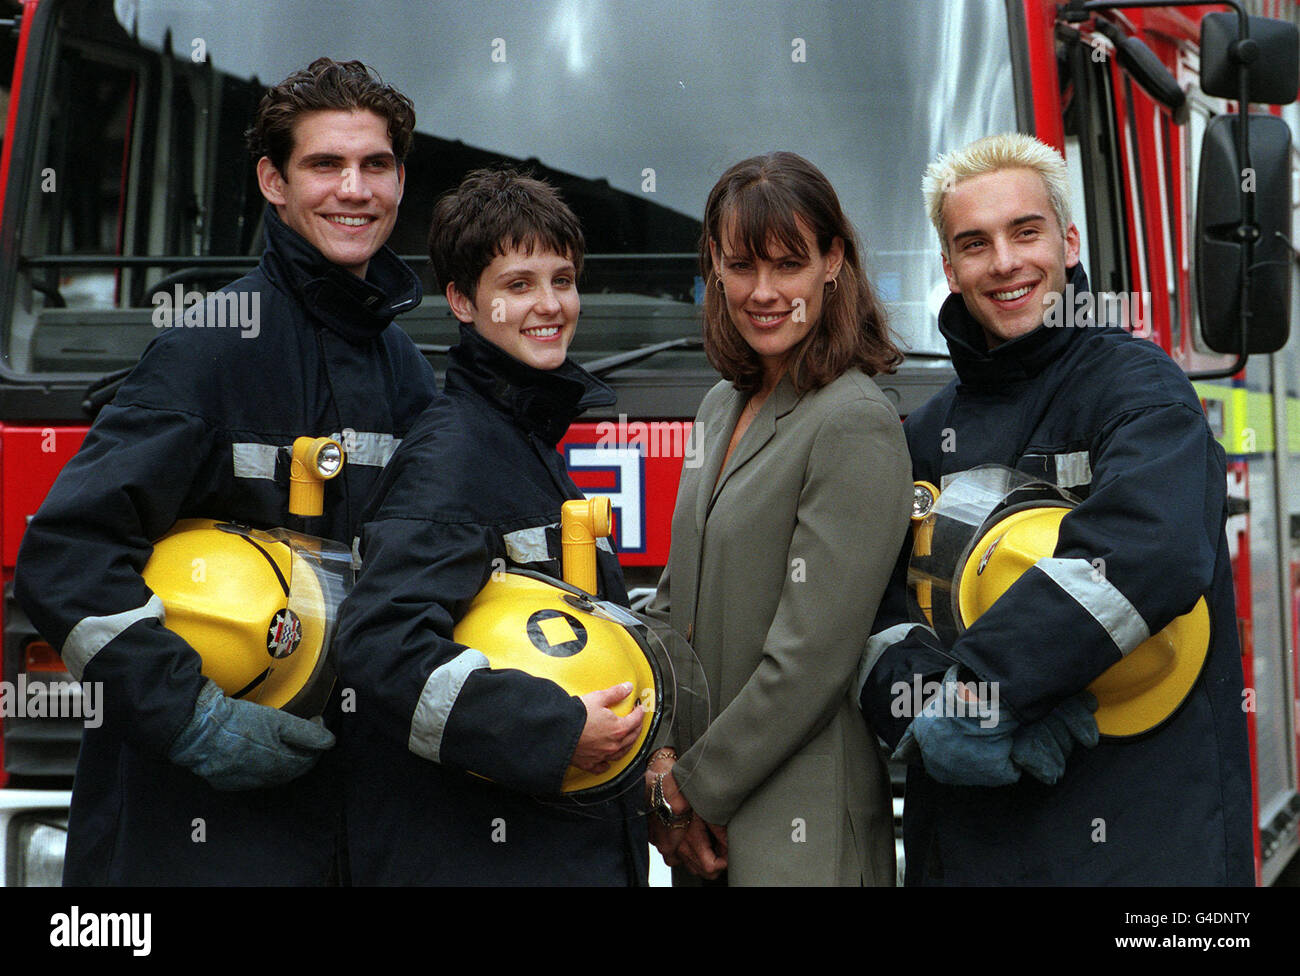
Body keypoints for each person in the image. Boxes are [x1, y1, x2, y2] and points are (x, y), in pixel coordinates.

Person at [14, 58, 438, 885]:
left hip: (354, 817)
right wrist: (189, 717)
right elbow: (67, 556)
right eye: (325, 164)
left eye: (376, 165)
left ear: (398, 183)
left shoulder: (406, 370)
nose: (354, 189)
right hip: (196, 831)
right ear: (274, 182)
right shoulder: (207, 352)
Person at [857, 133, 1254, 885]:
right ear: (950, 268)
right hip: (968, 850)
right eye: (975, 243)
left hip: (1143, 844)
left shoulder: (1141, 390)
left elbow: (1150, 549)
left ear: (1068, 244)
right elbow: (874, 616)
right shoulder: (925, 435)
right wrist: (926, 713)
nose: (1004, 262)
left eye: (1025, 231)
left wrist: (979, 690)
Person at [333, 168, 649, 885]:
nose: (550, 305)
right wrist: (555, 730)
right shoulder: (454, 455)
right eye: (518, 285)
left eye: (562, 280)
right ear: (461, 302)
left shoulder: (520, 437)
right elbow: (382, 648)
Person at [645, 152, 912, 885]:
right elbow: (669, 606)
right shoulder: (717, 405)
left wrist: (686, 791)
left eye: (788, 265)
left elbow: (809, 663)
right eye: (741, 265)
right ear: (715, 266)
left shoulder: (854, 420)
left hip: (800, 842)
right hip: (701, 834)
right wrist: (660, 757)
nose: (763, 293)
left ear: (834, 262)